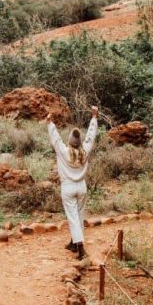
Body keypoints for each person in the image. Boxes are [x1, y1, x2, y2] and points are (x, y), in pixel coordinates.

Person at [44, 105, 99, 259]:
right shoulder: (85, 150)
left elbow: (55, 138)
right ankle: (74, 243)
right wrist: (94, 118)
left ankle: (80, 248)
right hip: (81, 187)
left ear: (69, 141)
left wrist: (50, 123)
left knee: (73, 218)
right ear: (79, 142)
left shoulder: (63, 151)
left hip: (68, 188)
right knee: (79, 215)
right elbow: (90, 136)